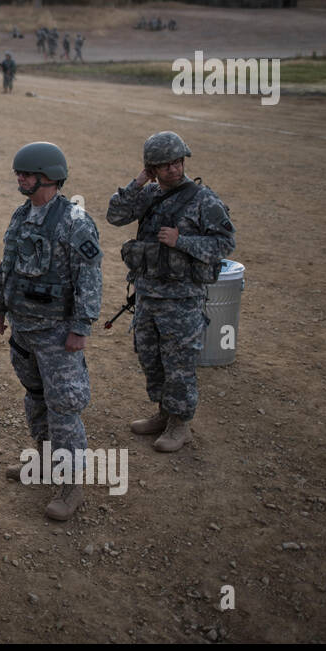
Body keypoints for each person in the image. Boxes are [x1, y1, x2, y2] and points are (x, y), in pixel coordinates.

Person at [0, 143, 102, 520]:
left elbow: (89, 277)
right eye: (19, 173)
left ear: (48, 177)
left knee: (64, 407)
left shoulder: (74, 221)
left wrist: (81, 327)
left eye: (26, 174)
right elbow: (8, 262)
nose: (20, 178)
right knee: (35, 397)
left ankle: (71, 485)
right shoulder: (22, 215)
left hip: (57, 333)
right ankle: (41, 461)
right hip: (24, 329)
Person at [106, 132, 235, 452]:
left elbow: (225, 243)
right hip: (148, 294)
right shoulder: (148, 194)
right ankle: (164, 413)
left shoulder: (203, 199)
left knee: (179, 363)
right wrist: (138, 182)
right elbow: (116, 216)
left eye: (178, 163)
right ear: (152, 168)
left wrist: (182, 241)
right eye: (165, 166)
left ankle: (181, 424)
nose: (175, 170)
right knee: (151, 358)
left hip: (182, 298)